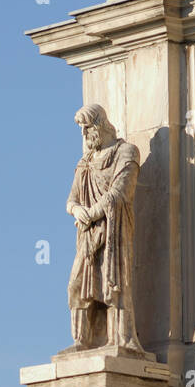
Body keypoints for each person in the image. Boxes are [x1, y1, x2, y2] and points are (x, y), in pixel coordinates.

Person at [67, 104, 142, 351]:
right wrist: (77, 211)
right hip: (88, 234)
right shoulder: (86, 161)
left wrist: (91, 214)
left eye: (86, 128)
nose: (84, 134)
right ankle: (81, 341)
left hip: (114, 229)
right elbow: (71, 200)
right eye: (81, 129)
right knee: (76, 284)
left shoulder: (126, 152)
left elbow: (120, 192)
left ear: (99, 125)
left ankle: (120, 340)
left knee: (114, 283)